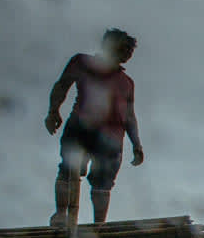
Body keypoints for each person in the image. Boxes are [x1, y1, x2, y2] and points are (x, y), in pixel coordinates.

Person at [45, 28, 144, 226]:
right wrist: (53, 111)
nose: (128, 54)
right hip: (82, 127)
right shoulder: (82, 63)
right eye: (124, 49)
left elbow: (129, 115)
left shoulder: (126, 83)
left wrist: (136, 144)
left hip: (111, 138)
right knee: (69, 169)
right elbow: (62, 85)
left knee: (103, 182)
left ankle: (99, 226)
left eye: (129, 51)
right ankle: (61, 215)